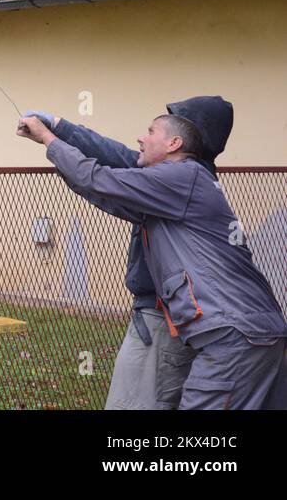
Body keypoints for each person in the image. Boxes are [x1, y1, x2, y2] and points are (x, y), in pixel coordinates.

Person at [18, 98, 287, 409]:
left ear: (174, 143)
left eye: (150, 131)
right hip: (253, 331)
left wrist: (49, 138)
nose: (141, 138)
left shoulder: (182, 178)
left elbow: (98, 178)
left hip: (236, 336)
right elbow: (101, 186)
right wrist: (60, 131)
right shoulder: (177, 184)